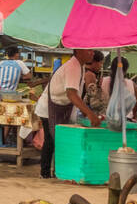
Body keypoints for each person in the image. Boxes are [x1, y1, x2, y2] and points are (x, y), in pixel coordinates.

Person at [39, 48, 101, 179]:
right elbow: (71, 94)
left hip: (63, 107)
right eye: (89, 51)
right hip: (49, 107)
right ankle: (45, 173)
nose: (92, 53)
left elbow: (75, 94)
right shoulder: (73, 66)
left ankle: (58, 171)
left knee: (60, 140)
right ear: (78, 51)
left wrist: (85, 112)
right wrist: (89, 113)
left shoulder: (80, 66)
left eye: (92, 51)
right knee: (50, 141)